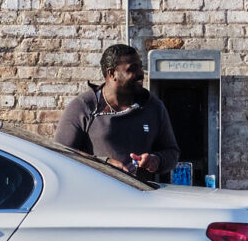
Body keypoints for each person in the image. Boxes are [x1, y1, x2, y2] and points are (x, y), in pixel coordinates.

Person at [52, 44, 180, 179]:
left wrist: (156, 160)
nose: (141, 74)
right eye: (132, 69)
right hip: (98, 195)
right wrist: (104, 164)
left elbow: (172, 152)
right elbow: (61, 154)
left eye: (141, 67)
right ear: (112, 73)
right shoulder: (84, 107)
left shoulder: (153, 106)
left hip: (142, 196)